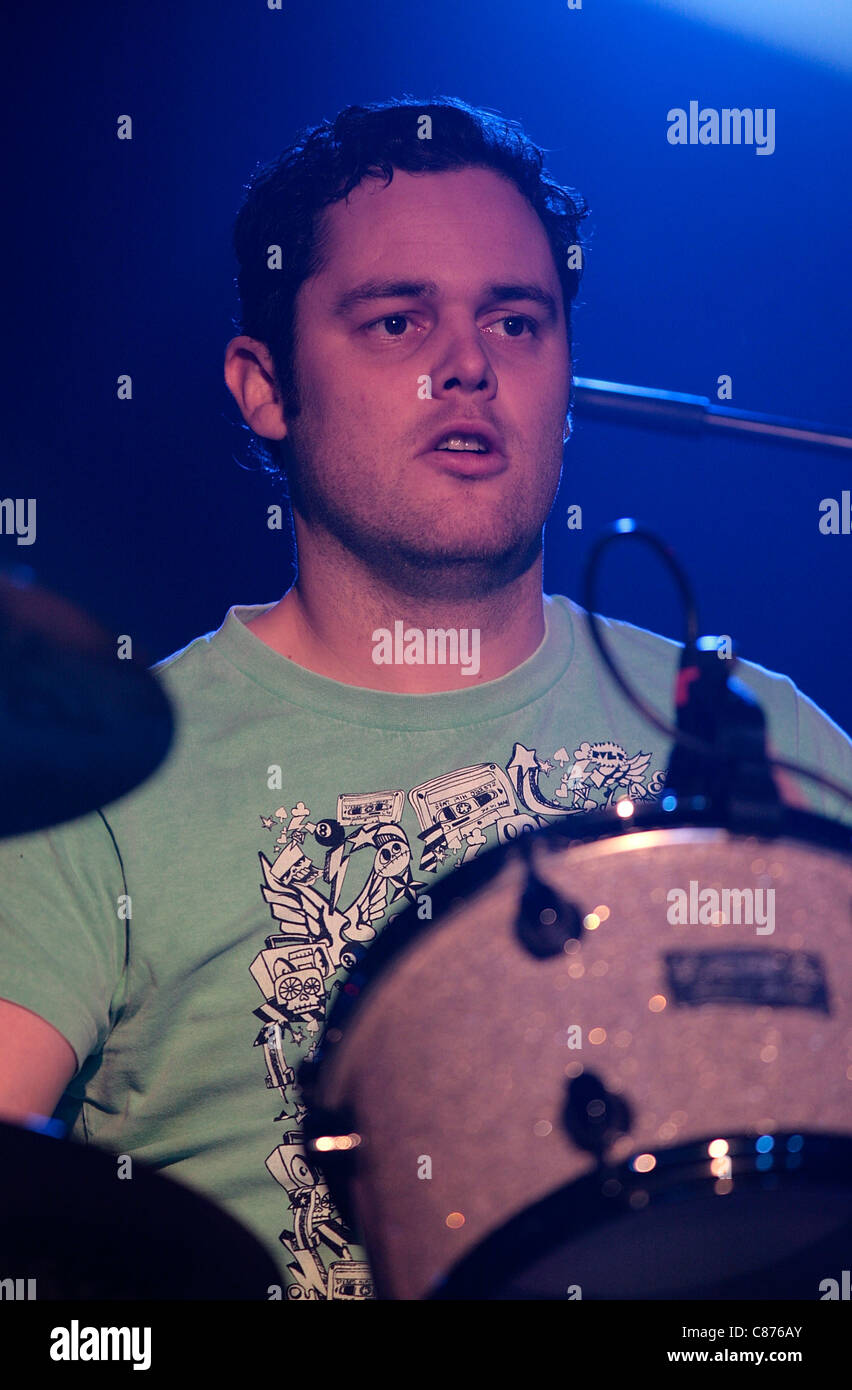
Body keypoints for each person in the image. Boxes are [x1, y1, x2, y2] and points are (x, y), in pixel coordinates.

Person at [1, 97, 850, 1302]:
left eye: (517, 320)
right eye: (396, 321)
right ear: (263, 386)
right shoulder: (95, 767)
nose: (468, 365)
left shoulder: (772, 737)